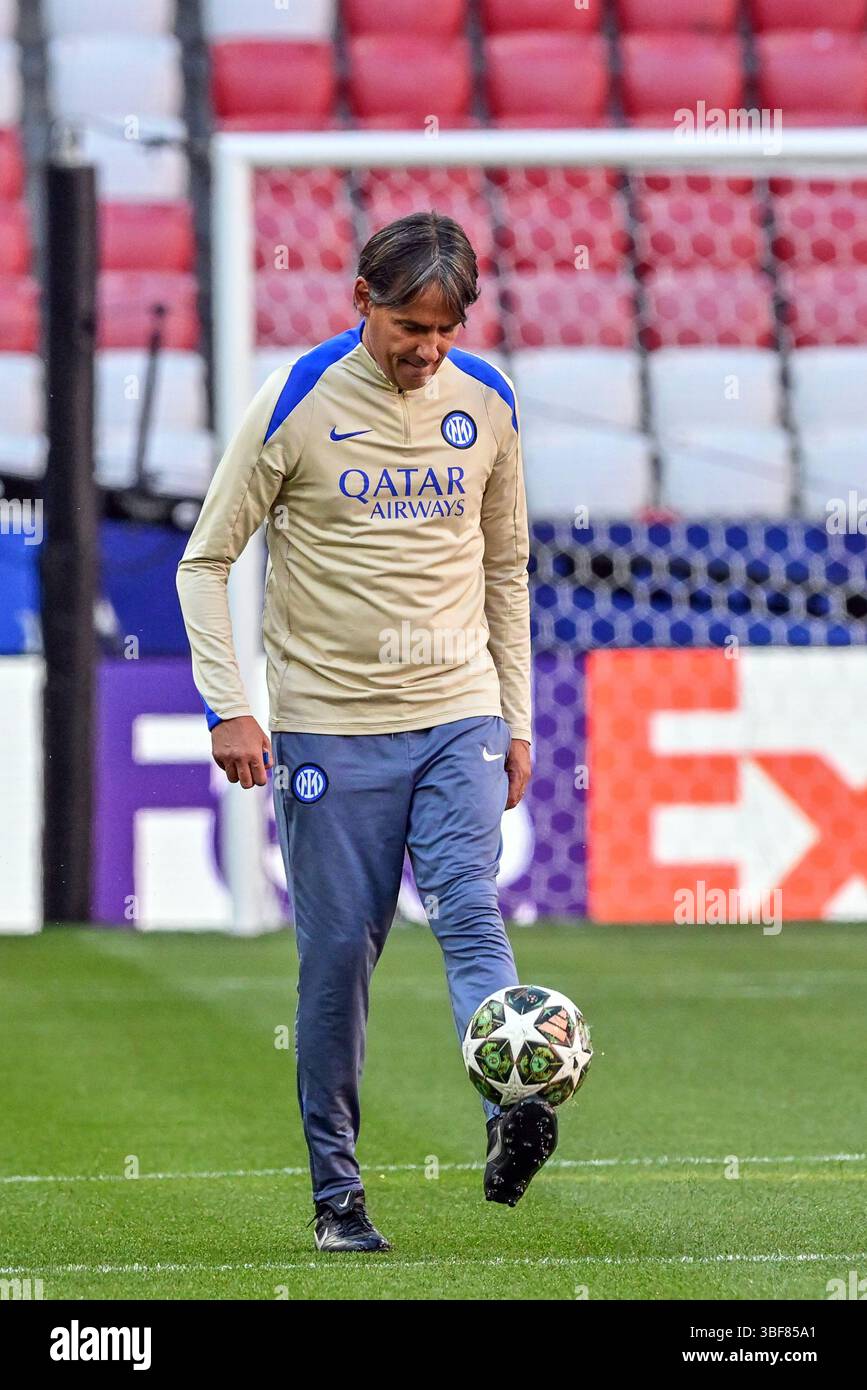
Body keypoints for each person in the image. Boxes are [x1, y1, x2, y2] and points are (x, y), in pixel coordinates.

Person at [177, 212, 558, 1253]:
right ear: (361, 301)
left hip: (458, 714)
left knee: (471, 909)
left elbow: (503, 571)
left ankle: (512, 1110)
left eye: (444, 329)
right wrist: (230, 702)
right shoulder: (296, 400)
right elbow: (205, 562)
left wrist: (515, 718)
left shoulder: (489, 403)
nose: (426, 347)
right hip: (330, 730)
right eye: (409, 325)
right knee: (338, 958)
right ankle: (337, 1196)